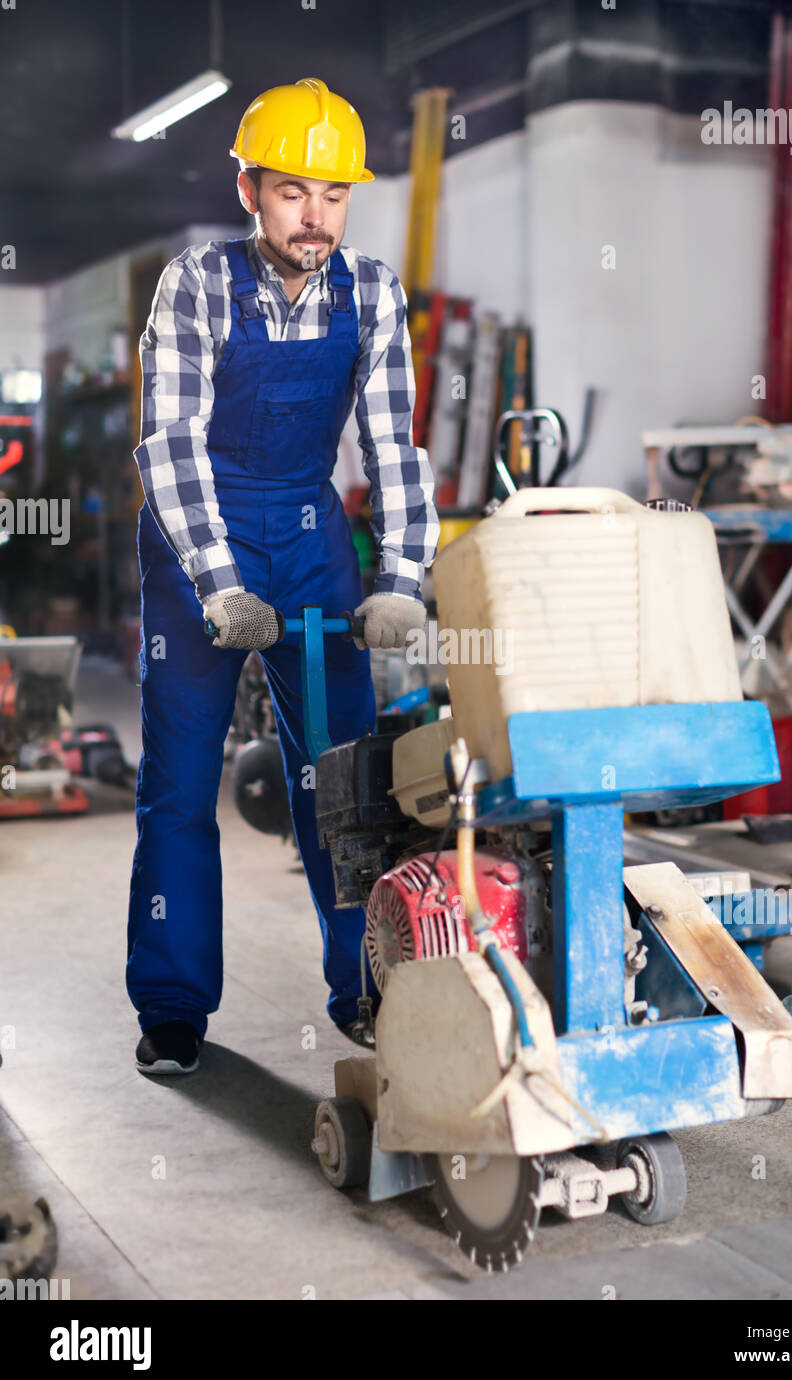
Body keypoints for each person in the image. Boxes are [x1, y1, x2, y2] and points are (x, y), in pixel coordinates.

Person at [127, 78, 438, 1074]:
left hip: (307, 531)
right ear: (250, 187)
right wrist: (218, 583)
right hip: (195, 541)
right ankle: (174, 1005)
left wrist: (399, 575)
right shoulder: (198, 285)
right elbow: (167, 445)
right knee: (179, 784)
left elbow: (392, 441)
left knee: (339, 779)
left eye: (335, 195)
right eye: (295, 191)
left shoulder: (372, 290)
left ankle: (363, 983)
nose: (317, 216)